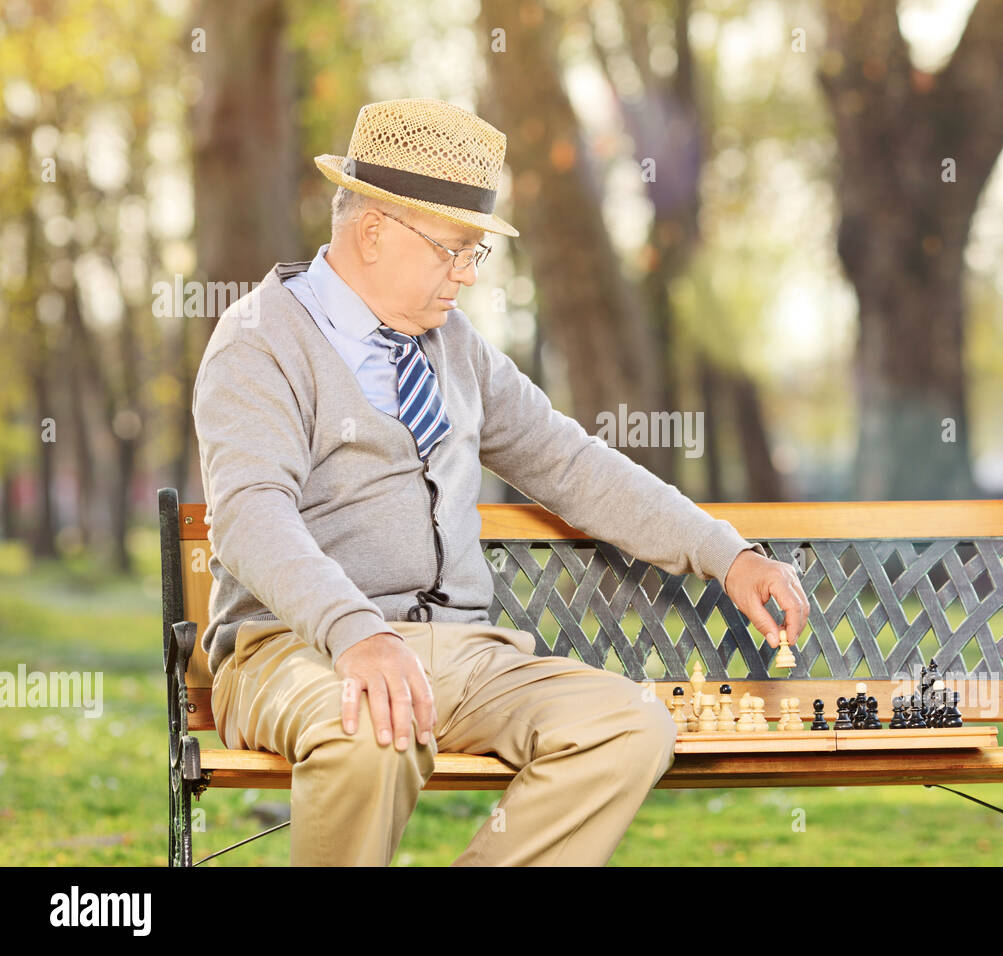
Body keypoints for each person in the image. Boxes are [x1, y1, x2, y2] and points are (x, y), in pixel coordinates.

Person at [193, 98, 809, 866]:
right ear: (375, 230)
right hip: (297, 651)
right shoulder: (260, 339)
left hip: (458, 654)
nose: (468, 277)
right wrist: (359, 634)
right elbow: (252, 514)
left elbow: (575, 465)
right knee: (370, 730)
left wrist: (728, 553)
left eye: (476, 252)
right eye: (454, 249)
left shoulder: (457, 348)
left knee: (629, 727)